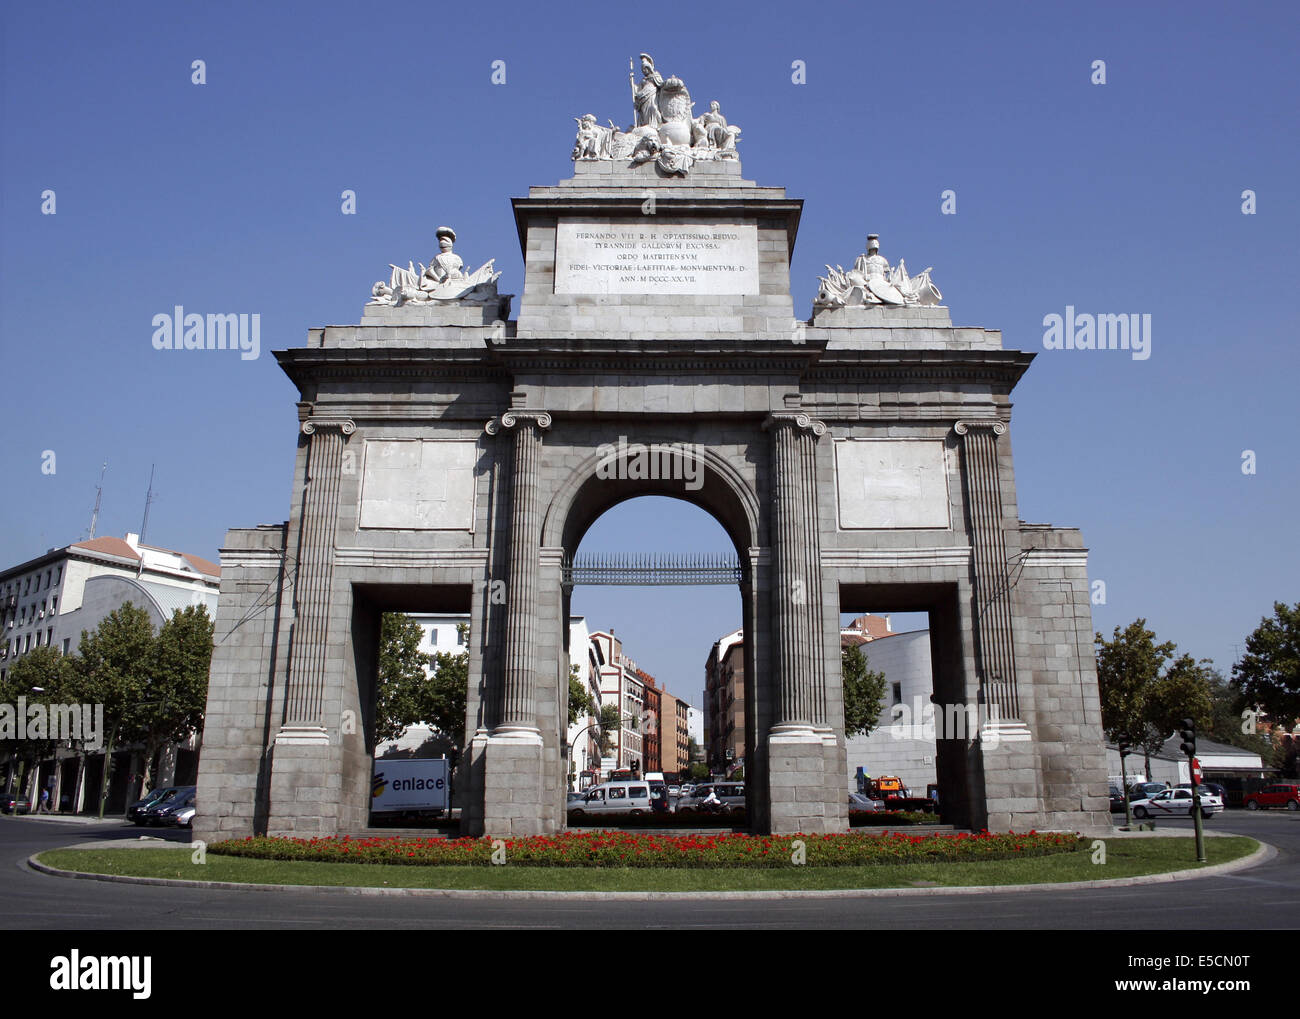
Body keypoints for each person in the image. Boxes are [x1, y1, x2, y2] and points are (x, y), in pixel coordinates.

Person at [630, 53, 664, 129]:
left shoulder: (655, 75)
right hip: (643, 97)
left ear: (649, 68)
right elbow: (637, 90)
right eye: (643, 70)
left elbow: (661, 84)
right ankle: (646, 125)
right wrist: (632, 83)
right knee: (644, 112)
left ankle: (655, 125)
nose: (644, 71)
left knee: (653, 108)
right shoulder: (643, 80)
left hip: (652, 93)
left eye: (645, 69)